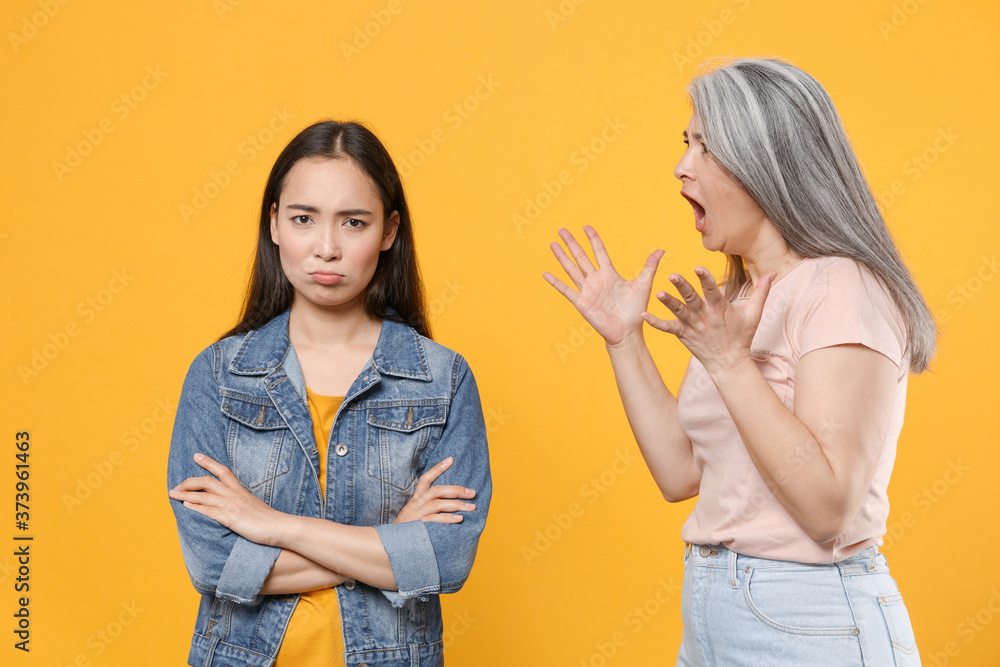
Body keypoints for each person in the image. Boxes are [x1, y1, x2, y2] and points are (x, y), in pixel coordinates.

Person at [545, 57, 932, 666]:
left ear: (767, 163)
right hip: (713, 610)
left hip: (810, 618)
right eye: (685, 143)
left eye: (705, 147)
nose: (680, 165)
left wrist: (729, 363)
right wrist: (626, 342)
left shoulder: (842, 286)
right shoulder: (737, 302)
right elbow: (680, 474)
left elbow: (829, 507)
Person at [167, 120, 491, 667]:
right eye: (302, 219)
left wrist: (273, 527)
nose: (326, 248)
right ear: (274, 224)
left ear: (389, 231)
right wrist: (391, 542)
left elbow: (447, 560)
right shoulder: (218, 377)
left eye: (353, 223)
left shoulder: (444, 380)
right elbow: (214, 564)